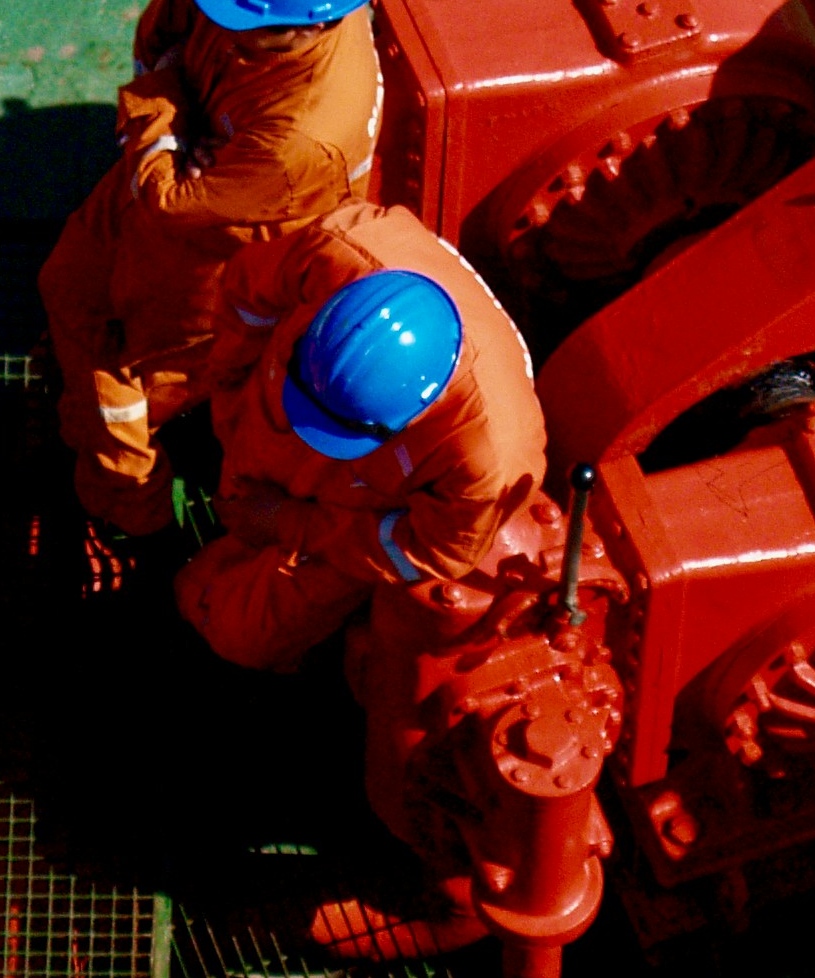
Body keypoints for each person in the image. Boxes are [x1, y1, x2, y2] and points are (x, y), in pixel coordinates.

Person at [38, 0, 385, 536]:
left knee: (125, 395)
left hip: (220, 264)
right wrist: (169, 132)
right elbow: (159, 37)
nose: (217, 23)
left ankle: (127, 515)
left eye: (244, 28)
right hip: (164, 182)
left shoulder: (305, 136)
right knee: (64, 284)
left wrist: (163, 115)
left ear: (315, 25)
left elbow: (172, 203)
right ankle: (70, 389)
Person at [178, 201, 546, 671]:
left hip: (343, 511)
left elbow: (432, 551)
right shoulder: (334, 251)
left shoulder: (489, 460)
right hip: (258, 416)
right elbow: (247, 296)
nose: (306, 434)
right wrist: (227, 386)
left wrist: (287, 524)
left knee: (242, 629)